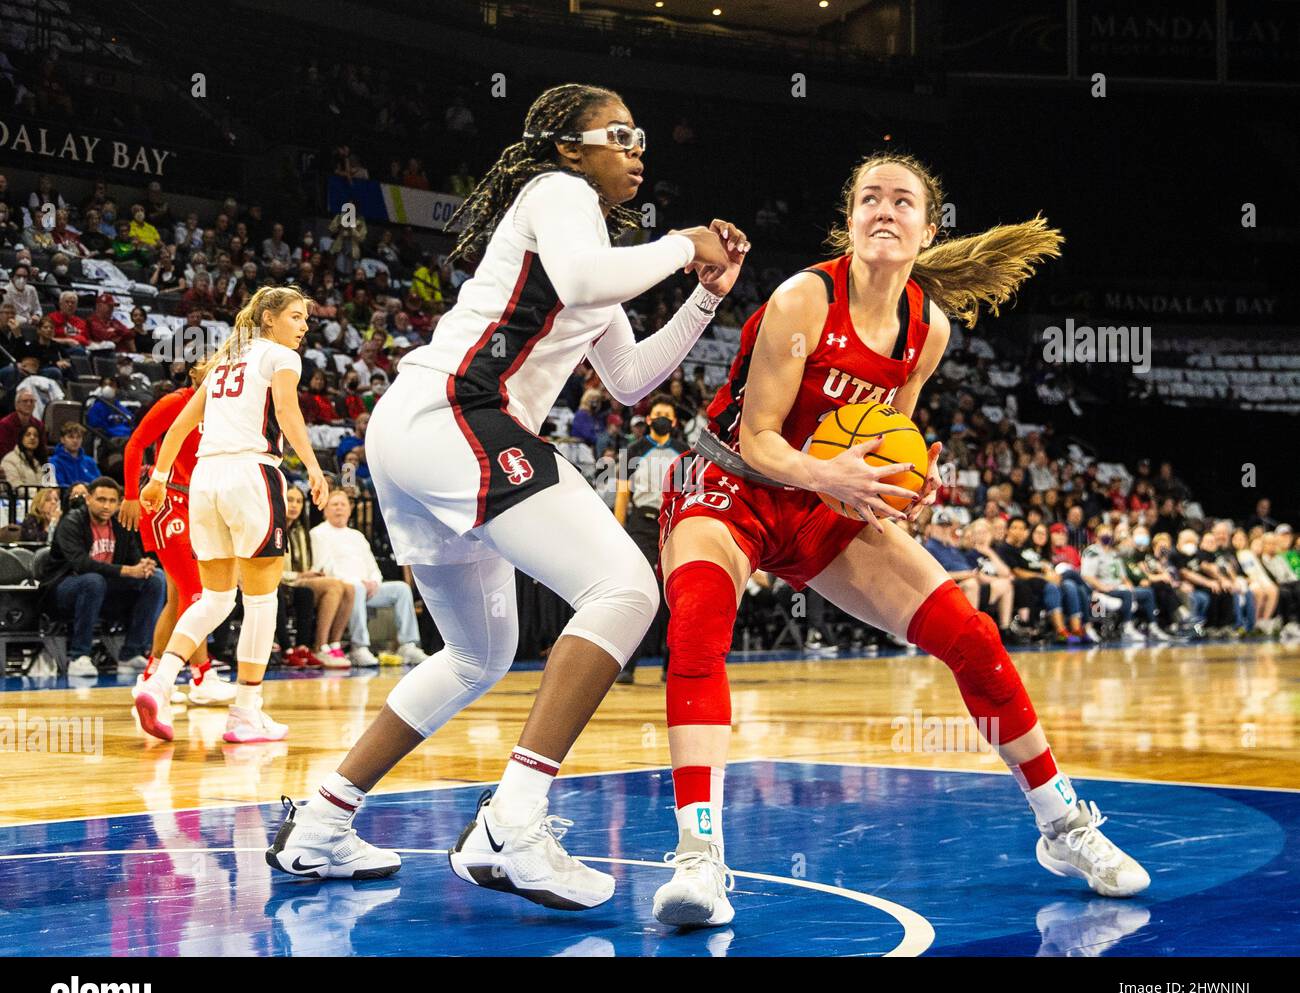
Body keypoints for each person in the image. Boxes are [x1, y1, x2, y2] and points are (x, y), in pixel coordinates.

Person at [266, 82, 744, 902]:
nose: (636, 149)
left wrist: (705, 296)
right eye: (618, 134)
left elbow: (629, 381)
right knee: (627, 589)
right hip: (457, 413)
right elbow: (586, 277)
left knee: (478, 654)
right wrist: (681, 243)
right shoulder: (557, 195)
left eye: (640, 138)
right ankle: (512, 822)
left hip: (422, 432)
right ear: (569, 148)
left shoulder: (587, 241)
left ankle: (318, 825)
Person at [654, 152, 1147, 928]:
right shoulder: (803, 299)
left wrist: (903, 491)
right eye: (869, 199)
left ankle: (1062, 825)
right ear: (849, 221)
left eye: (902, 201)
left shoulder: (929, 329)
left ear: (928, 227)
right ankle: (699, 857)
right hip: (731, 484)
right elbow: (759, 440)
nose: (885, 209)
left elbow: (890, 436)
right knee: (699, 625)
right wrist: (837, 476)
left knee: (971, 634)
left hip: (827, 497)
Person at [132, 286, 329, 744]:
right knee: (262, 601)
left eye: (305, 319)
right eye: (296, 317)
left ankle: (158, 684)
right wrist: (315, 467)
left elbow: (180, 426)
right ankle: (246, 712)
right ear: (268, 320)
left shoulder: (224, 360)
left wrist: (159, 477)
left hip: (204, 480)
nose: (303, 326)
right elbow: (286, 410)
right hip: (251, 475)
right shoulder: (281, 358)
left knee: (214, 599)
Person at [118, 369, 237, 713]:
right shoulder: (176, 402)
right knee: (197, 592)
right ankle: (201, 677)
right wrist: (129, 494)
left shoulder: (221, 409)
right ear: (193, 371)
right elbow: (136, 442)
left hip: (196, 503)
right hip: (167, 501)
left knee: (178, 598)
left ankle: (153, 675)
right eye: (209, 362)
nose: (217, 368)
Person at [41, 476, 166, 677]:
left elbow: (133, 558)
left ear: (118, 504)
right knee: (93, 580)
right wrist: (126, 571)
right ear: (89, 499)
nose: (106, 506)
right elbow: (81, 564)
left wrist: (144, 566)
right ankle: (78, 656)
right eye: (101, 500)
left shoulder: (121, 524)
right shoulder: (71, 521)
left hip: (105, 589)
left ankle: (131, 654)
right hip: (64, 589)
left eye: (112, 501)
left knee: (156, 579)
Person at [613, 394, 688, 683]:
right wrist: (619, 534)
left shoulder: (685, 453)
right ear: (648, 419)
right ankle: (628, 667)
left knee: (676, 596)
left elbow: (691, 494)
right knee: (641, 594)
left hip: (674, 528)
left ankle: (672, 668)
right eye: (657, 412)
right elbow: (623, 495)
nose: (661, 417)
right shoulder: (632, 452)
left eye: (667, 414)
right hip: (641, 526)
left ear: (674, 421)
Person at [309, 488, 427, 666]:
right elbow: (323, 567)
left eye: (343, 504)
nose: (339, 508)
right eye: (334, 504)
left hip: (368, 588)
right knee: (355, 587)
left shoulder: (357, 535)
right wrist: (358, 583)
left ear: (350, 510)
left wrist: (374, 582)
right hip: (345, 588)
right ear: (325, 510)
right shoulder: (319, 533)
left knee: (401, 589)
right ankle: (359, 647)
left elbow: (373, 566)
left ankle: (408, 645)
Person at [279, 484, 353, 669]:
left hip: (300, 580)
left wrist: (310, 573)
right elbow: (273, 570)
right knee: (334, 586)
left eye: (299, 501)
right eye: (290, 500)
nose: (295, 505)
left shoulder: (301, 532)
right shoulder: (276, 530)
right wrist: (301, 575)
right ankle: (320, 645)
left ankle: (331, 644)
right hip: (283, 580)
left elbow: (308, 564)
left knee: (349, 588)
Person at [50, 421, 101, 487]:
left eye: (78, 437)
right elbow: (59, 486)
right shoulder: (54, 462)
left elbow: (99, 484)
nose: (75, 440)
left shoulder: (90, 461)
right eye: (71, 437)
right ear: (62, 439)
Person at [1, 421, 47, 488]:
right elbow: (16, 487)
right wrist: (41, 495)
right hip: (20, 498)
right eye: (28, 435)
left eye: (36, 435)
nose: (32, 438)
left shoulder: (40, 460)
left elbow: (50, 484)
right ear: (21, 438)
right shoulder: (9, 460)